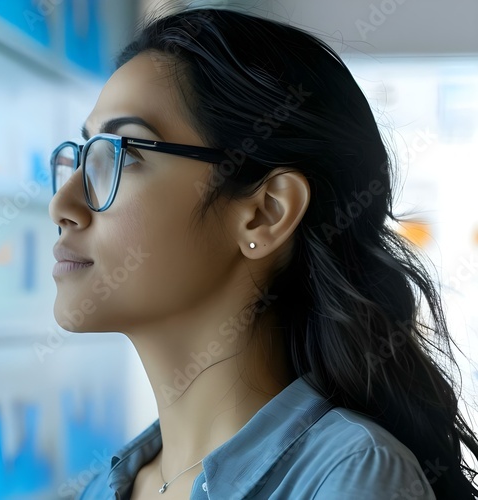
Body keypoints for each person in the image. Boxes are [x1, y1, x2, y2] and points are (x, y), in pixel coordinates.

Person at [48, 7, 478, 499]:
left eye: (123, 153)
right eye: (83, 156)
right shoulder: (106, 489)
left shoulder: (353, 478)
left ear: (265, 213)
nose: (63, 204)